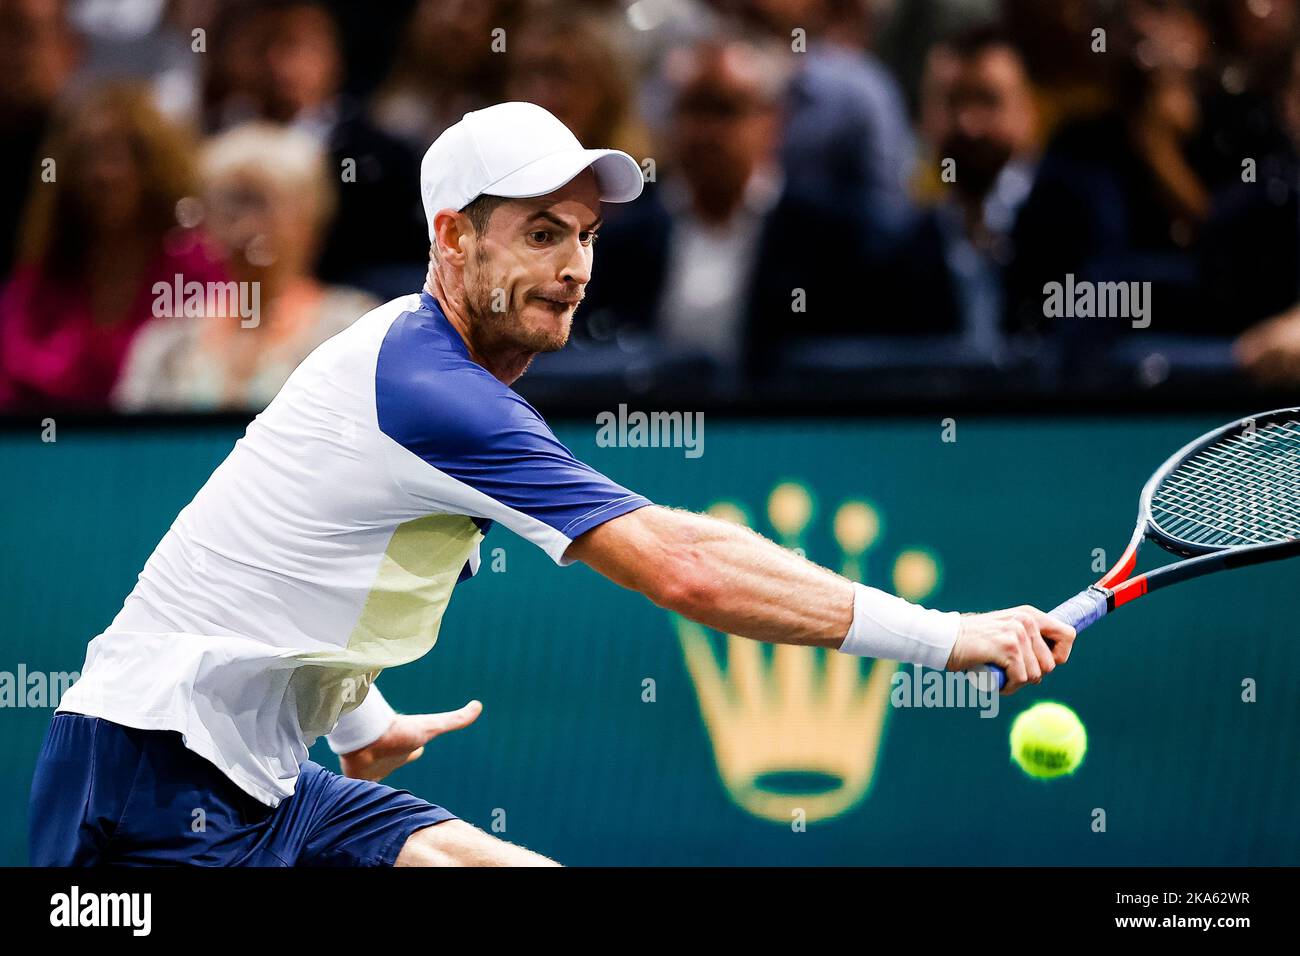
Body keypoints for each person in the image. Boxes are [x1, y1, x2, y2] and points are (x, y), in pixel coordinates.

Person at [30, 102, 1074, 868]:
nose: (575, 265)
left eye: (585, 235)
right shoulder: (433, 388)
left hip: (256, 774)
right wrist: (949, 636)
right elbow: (687, 566)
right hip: (146, 788)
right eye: (539, 232)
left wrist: (356, 718)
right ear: (450, 238)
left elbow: (278, 556)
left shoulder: (409, 357)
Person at [113, 123, 378, 412]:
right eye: (230, 204)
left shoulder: (354, 330)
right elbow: (132, 451)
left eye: (260, 203)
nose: (244, 226)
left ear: (309, 217)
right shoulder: (167, 343)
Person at [0, 82, 224, 411]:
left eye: (124, 154)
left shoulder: (197, 270)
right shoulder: (39, 282)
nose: (104, 173)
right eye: (88, 155)